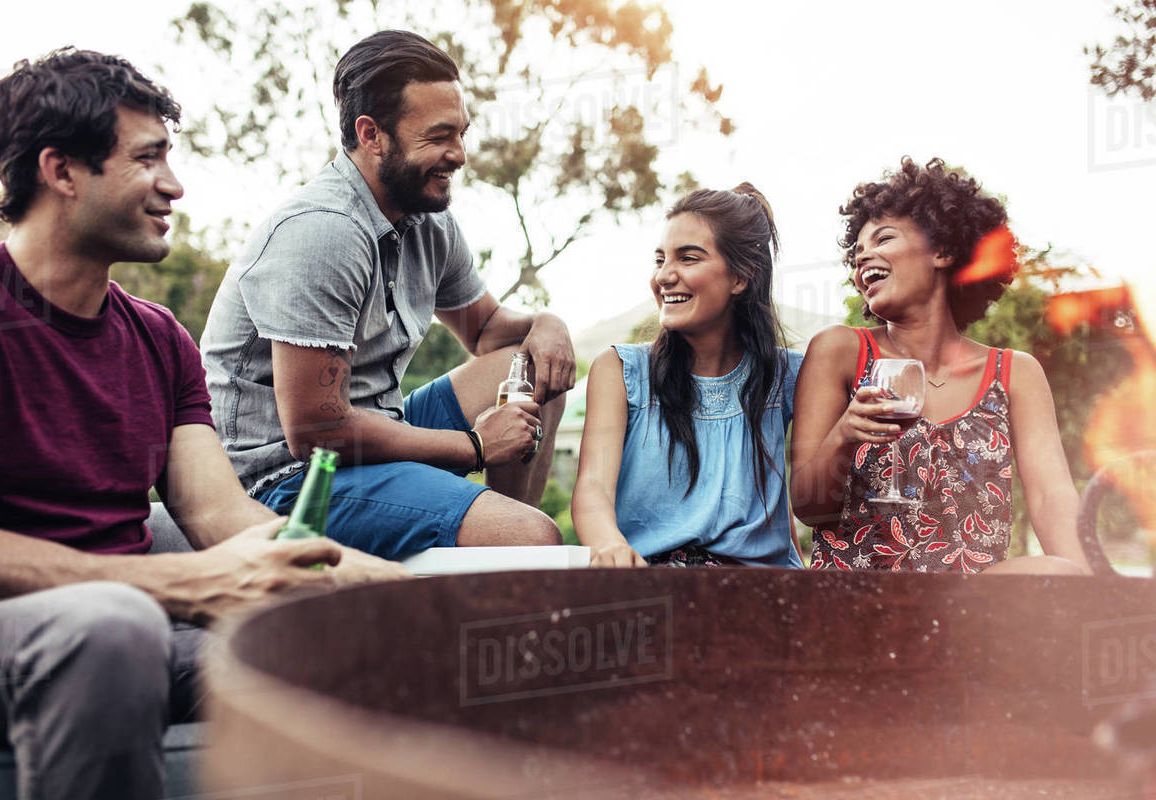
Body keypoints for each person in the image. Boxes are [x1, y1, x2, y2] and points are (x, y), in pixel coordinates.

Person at [0, 48, 408, 800]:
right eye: (148, 159)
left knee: (349, 644)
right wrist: (182, 586)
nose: (175, 184)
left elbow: (221, 516)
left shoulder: (159, 338)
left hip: (139, 625)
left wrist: (391, 593)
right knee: (107, 628)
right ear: (61, 171)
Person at [200, 30, 575, 560]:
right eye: (439, 136)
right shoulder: (322, 232)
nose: (459, 155)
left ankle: (486, 550)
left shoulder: (426, 220)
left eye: (462, 134)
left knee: (528, 366)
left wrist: (549, 323)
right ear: (371, 134)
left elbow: (487, 330)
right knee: (533, 538)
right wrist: (474, 447)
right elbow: (316, 431)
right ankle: (502, 547)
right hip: (285, 479)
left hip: (375, 437)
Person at [789, 157, 1090, 574]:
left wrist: (1090, 585)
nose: (863, 258)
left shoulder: (1015, 373)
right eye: (857, 251)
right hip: (857, 605)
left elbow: (1050, 497)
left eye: (883, 239)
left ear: (944, 250)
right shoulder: (840, 350)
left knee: (1061, 573)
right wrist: (843, 435)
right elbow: (808, 507)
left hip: (970, 614)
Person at [571, 184, 804, 568]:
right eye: (660, 259)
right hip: (655, 587)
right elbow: (593, 489)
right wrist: (609, 544)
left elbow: (785, 514)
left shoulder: (789, 375)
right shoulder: (619, 370)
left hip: (762, 597)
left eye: (688, 259)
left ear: (741, 276)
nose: (664, 275)